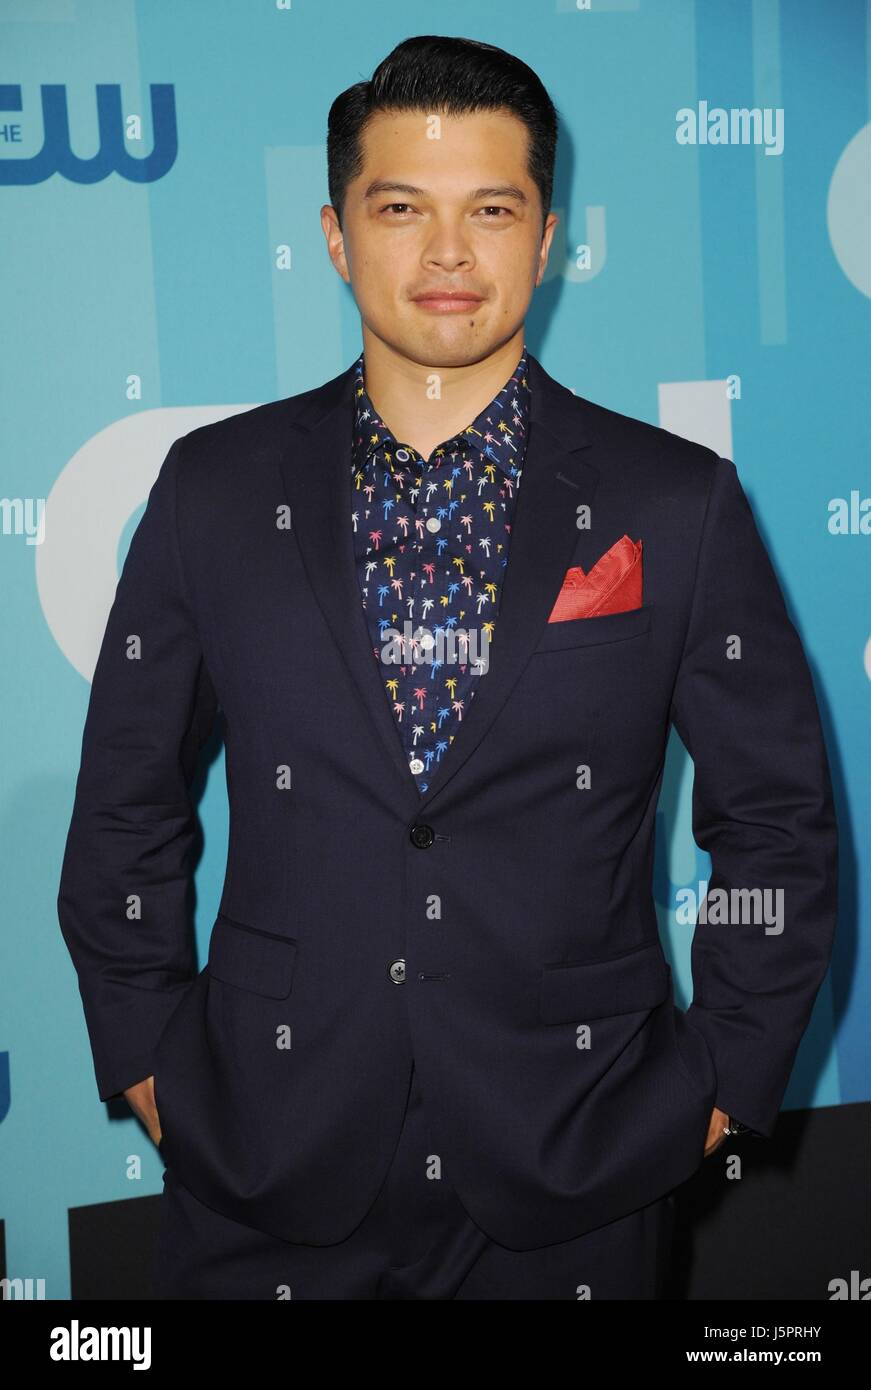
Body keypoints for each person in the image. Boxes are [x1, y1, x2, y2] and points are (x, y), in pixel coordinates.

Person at [57, 35, 838, 1300]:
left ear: (546, 238)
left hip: (580, 1162)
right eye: (400, 208)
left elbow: (779, 825)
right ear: (331, 232)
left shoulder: (674, 502)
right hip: (266, 1150)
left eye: (490, 209)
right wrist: (147, 1052)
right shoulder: (214, 490)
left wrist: (719, 1082)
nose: (446, 255)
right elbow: (125, 805)